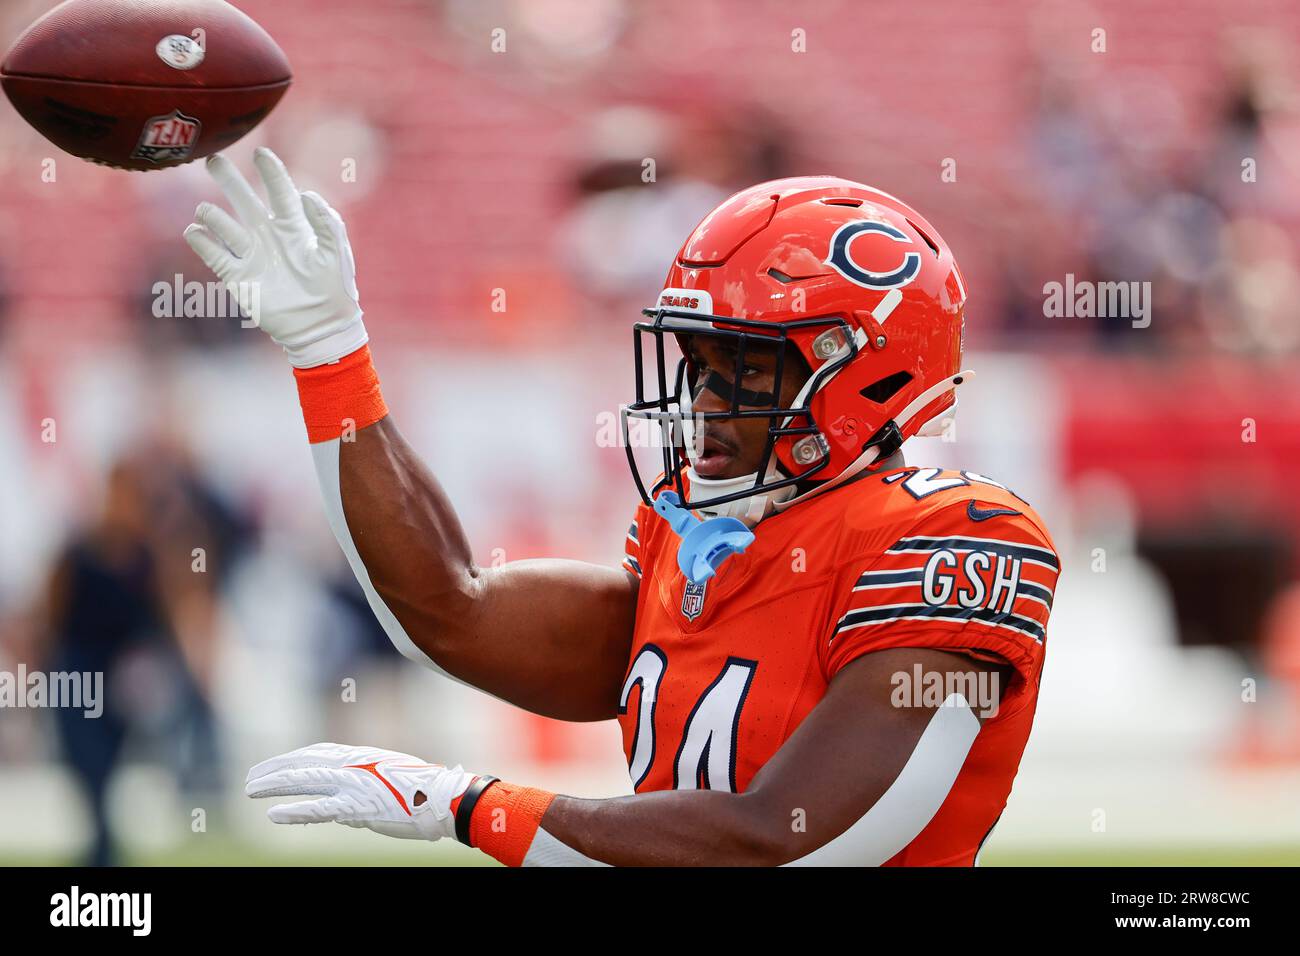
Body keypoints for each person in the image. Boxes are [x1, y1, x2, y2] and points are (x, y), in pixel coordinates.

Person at [184, 149, 1059, 866]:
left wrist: (466, 805)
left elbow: (787, 841)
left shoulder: (947, 538)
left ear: (861, 373)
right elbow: (448, 611)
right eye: (698, 364)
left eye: (746, 367)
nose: (703, 402)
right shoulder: (698, 539)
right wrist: (330, 350)